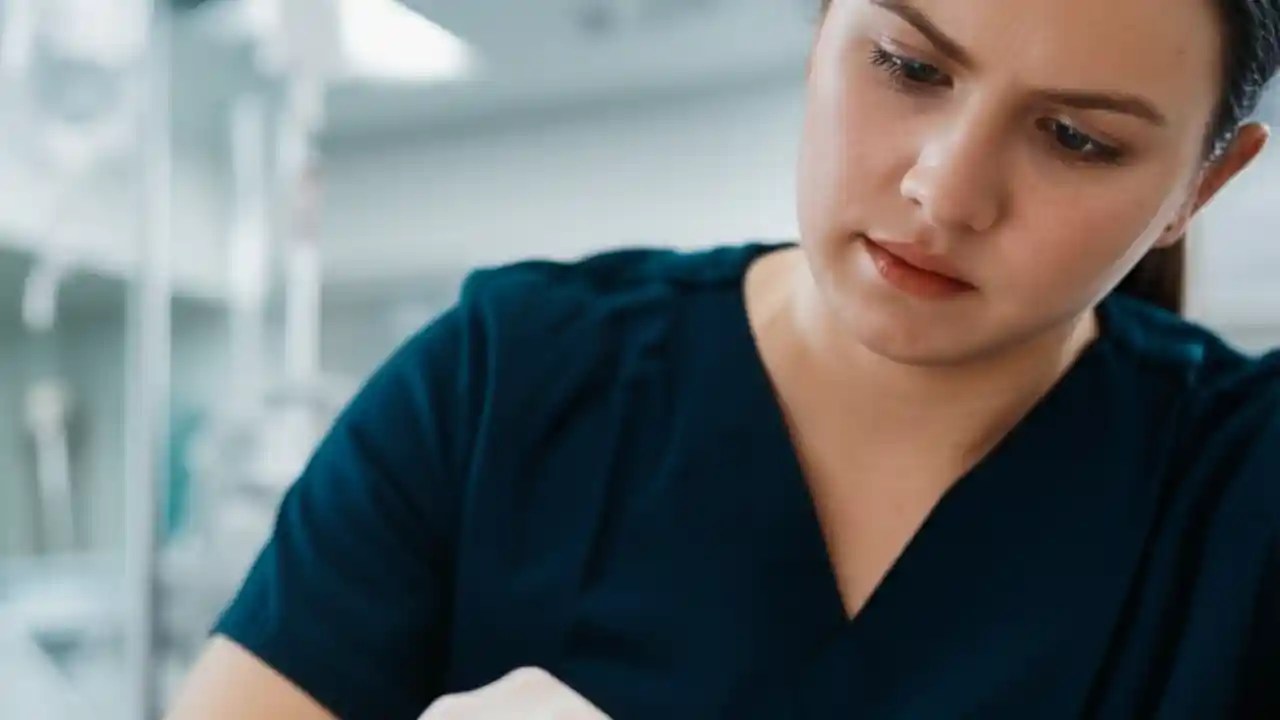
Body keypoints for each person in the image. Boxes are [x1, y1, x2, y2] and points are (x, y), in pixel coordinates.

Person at [165, 0, 1280, 717]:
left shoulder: (1240, 496)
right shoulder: (506, 381)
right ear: (819, 28)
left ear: (1200, 184)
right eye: (905, 65)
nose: (945, 192)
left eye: (1075, 139)